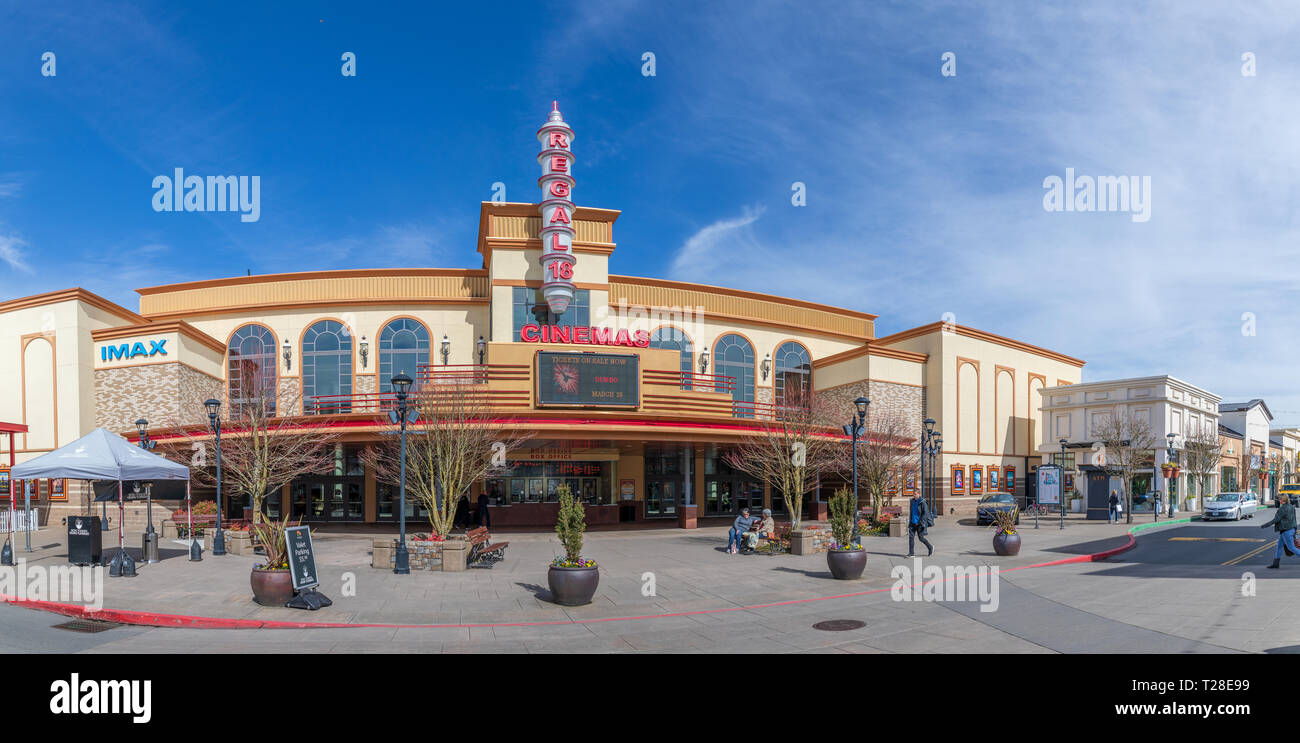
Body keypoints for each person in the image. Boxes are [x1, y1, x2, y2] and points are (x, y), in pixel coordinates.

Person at [1261, 492, 1298, 569]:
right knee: (1279, 547)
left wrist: (1265, 525)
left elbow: (1276, 520)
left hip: (1286, 531)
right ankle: (1276, 563)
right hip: (1288, 530)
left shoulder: (1282, 508)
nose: (1279, 500)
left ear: (1282, 500)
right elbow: (1294, 519)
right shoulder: (1291, 506)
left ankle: (1276, 563)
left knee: (1291, 548)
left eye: (1280, 498)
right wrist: (1295, 529)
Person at [906, 492, 933, 557]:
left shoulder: (922, 502)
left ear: (919, 494)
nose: (914, 495)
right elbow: (911, 512)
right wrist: (910, 521)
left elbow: (925, 513)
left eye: (915, 494)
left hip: (919, 523)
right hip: (912, 522)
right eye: (913, 494)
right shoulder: (912, 501)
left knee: (921, 538)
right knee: (911, 538)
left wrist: (920, 521)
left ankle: (930, 547)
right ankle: (911, 553)